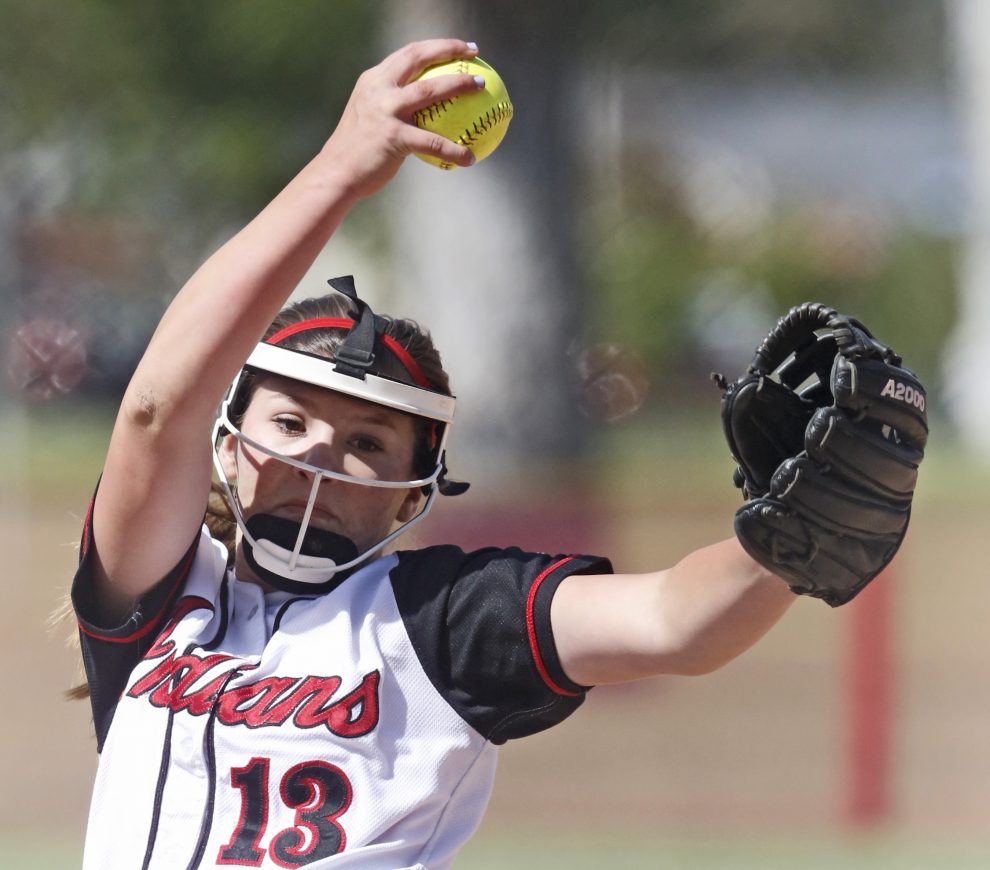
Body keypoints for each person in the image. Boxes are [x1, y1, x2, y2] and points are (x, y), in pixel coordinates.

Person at [70, 39, 799, 870]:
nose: (319, 454)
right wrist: (340, 168)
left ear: (411, 495)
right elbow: (156, 408)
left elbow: (675, 620)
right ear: (229, 450)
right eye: (292, 421)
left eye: (367, 441)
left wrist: (790, 534)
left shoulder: (440, 617)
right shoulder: (160, 595)